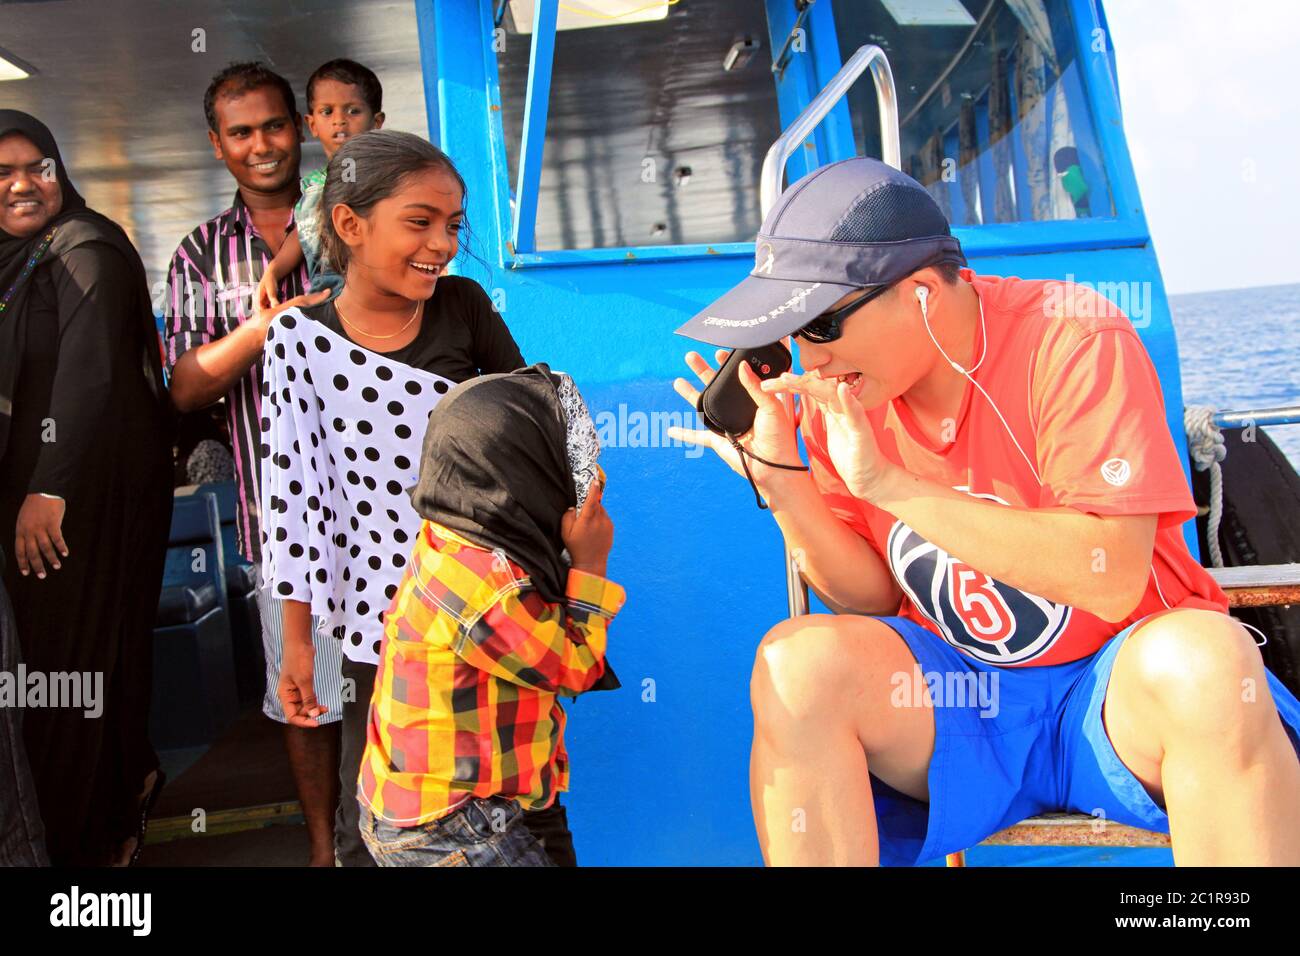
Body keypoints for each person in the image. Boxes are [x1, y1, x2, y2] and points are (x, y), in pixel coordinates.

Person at [670, 157, 1300, 866]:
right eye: (792, 332)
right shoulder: (850, 387)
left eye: (818, 324)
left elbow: (1112, 578)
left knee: (1206, 661)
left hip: (1116, 695)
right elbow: (874, 593)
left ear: (919, 295)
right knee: (796, 666)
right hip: (963, 705)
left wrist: (887, 485)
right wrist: (785, 483)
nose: (806, 357)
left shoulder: (1073, 338)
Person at [261, 129, 529, 866]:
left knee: (515, 801)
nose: (442, 244)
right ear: (350, 224)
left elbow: (544, 416)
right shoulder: (298, 339)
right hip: (379, 624)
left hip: (483, 608)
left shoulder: (465, 309)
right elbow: (294, 499)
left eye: (452, 226)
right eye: (420, 222)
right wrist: (295, 645)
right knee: (374, 821)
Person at [161, 62, 336, 866]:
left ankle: (395, 841)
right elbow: (186, 385)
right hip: (282, 522)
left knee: (401, 687)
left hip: (396, 508)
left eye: (273, 125)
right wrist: (268, 329)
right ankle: (324, 850)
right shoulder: (200, 254)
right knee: (305, 701)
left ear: (299, 125)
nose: (261, 145)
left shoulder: (350, 216)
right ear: (217, 145)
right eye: (241, 132)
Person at [357, 365, 621, 866]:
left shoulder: (454, 534)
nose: (583, 478)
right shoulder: (485, 588)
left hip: (452, 808)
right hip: (454, 828)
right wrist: (591, 563)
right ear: (522, 467)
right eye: (560, 459)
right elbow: (574, 666)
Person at [0, 110, 175, 866]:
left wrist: (52, 488)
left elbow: (90, 375)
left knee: (76, 667)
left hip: (82, 501)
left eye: (37, 166)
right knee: (44, 671)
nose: (22, 184)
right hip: (30, 501)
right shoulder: (14, 261)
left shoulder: (87, 247)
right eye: (1, 173)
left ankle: (94, 833)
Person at [255, 58, 385, 310]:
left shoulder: (382, 178)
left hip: (366, 292)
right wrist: (274, 270)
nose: (340, 121)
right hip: (323, 295)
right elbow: (302, 230)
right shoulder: (314, 184)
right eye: (327, 112)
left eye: (353, 111)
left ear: (377, 122)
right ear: (312, 124)